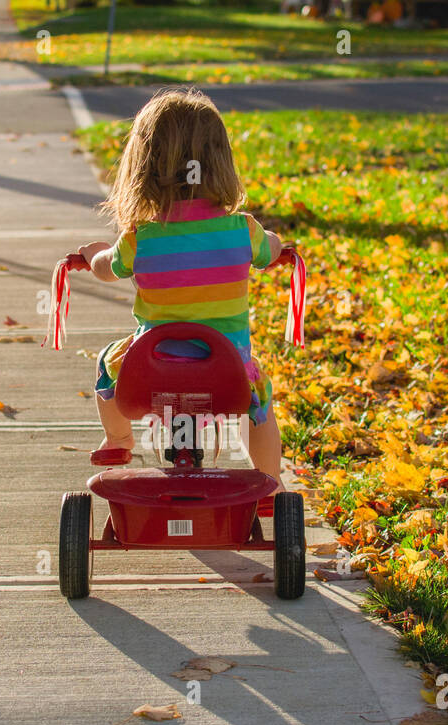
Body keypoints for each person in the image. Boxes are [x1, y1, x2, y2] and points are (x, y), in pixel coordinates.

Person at [76, 88, 287, 492]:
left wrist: (93, 257)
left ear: (144, 167)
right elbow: (270, 251)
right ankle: (270, 484)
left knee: (107, 363)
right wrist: (276, 247)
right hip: (228, 372)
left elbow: (107, 269)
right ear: (221, 163)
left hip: (150, 370)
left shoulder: (142, 238)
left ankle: (119, 439)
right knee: (260, 408)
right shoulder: (244, 231)